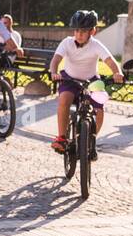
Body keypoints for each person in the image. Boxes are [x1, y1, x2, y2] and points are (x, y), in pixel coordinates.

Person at [50, 10, 124, 153]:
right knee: (64, 100)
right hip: (69, 79)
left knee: (99, 109)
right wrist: (54, 72)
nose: (79, 34)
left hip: (92, 81)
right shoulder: (67, 42)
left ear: (93, 31)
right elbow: (56, 60)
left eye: (84, 31)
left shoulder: (96, 45)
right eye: (77, 30)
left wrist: (117, 72)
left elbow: (110, 60)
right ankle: (61, 138)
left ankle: (91, 140)